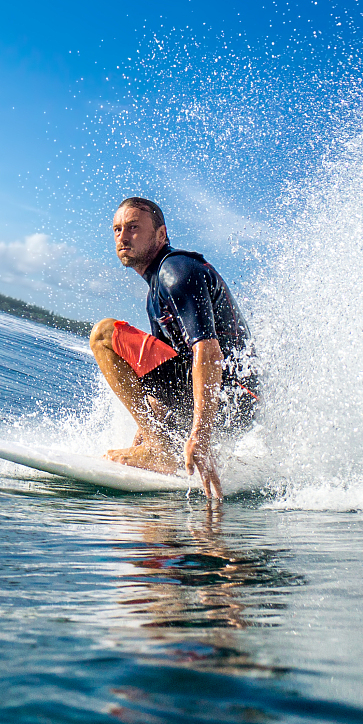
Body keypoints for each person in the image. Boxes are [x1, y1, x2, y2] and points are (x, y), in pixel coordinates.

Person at [90, 196, 256, 498]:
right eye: (117, 230)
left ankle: (161, 451)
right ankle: (159, 449)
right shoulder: (156, 290)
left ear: (161, 234)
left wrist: (200, 436)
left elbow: (209, 352)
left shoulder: (175, 273)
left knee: (104, 335)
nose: (123, 237)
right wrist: (144, 435)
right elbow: (163, 374)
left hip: (231, 395)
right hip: (231, 402)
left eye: (133, 228)